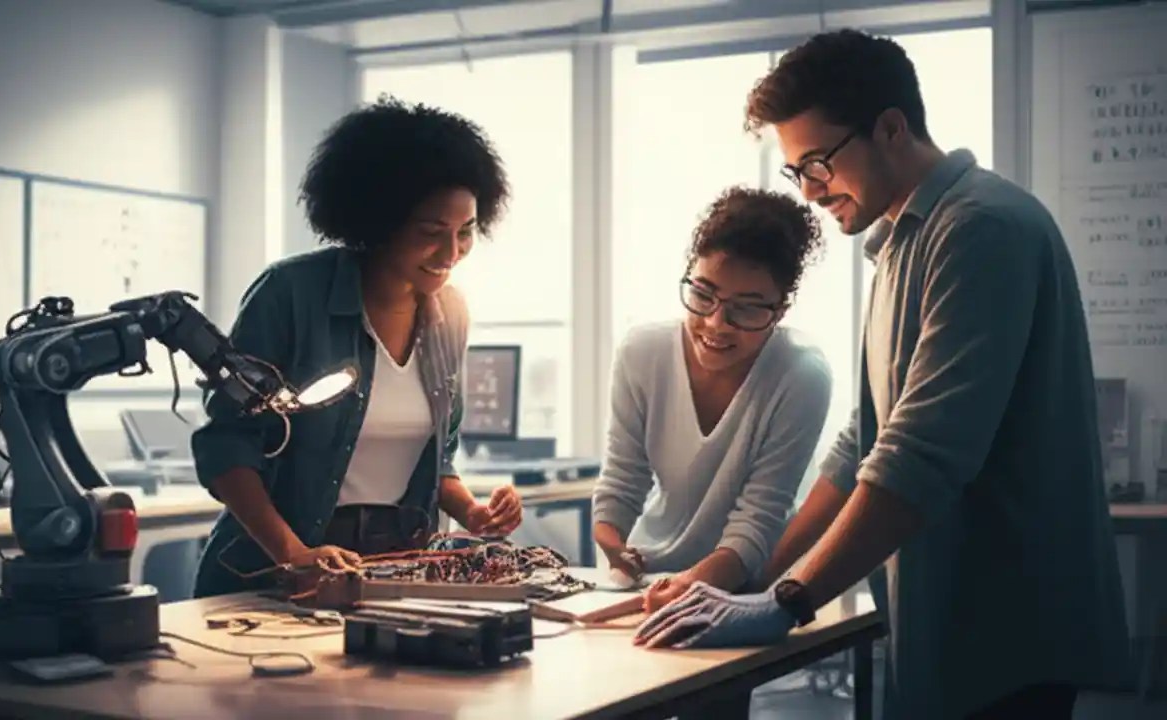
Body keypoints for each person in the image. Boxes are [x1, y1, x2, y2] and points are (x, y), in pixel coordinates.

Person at [634, 29, 1132, 720]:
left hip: (1007, 625)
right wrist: (750, 577)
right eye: (795, 171)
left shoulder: (981, 228)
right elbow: (863, 440)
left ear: (891, 128)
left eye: (817, 163)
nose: (809, 191)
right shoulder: (903, 240)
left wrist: (786, 601)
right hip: (943, 620)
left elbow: (920, 455)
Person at [191, 96, 524, 598]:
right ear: (380, 220)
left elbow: (435, 461)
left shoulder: (450, 314)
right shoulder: (290, 293)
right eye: (431, 233)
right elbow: (225, 445)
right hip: (271, 577)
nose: (451, 253)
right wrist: (294, 554)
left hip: (389, 576)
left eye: (466, 233)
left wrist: (474, 512)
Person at [592, 186, 832, 614]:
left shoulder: (800, 375)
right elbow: (622, 479)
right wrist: (614, 549)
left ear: (780, 310)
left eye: (746, 309)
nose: (716, 324)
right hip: (645, 579)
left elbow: (758, 519)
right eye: (703, 295)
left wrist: (694, 583)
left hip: (743, 585)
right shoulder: (641, 351)